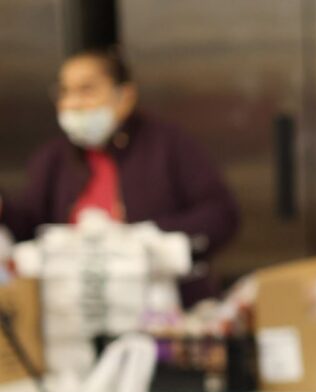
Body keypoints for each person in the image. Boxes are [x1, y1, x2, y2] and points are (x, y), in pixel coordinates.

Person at [0, 47, 239, 307]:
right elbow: (28, 230)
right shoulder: (53, 159)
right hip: (72, 311)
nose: (73, 103)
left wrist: (146, 238)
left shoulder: (168, 145)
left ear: (125, 96)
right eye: (65, 92)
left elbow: (221, 214)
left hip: (165, 310)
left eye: (87, 90)